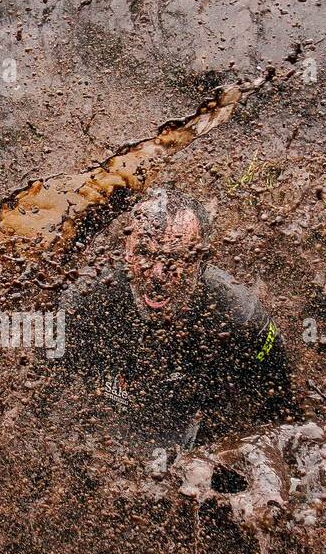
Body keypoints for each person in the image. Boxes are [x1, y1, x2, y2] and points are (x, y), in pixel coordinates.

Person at [53, 187, 290, 448]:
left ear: (201, 262)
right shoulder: (87, 299)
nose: (156, 274)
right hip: (104, 433)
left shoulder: (239, 317)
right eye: (144, 253)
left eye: (176, 258)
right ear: (126, 250)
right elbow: (42, 396)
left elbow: (279, 413)